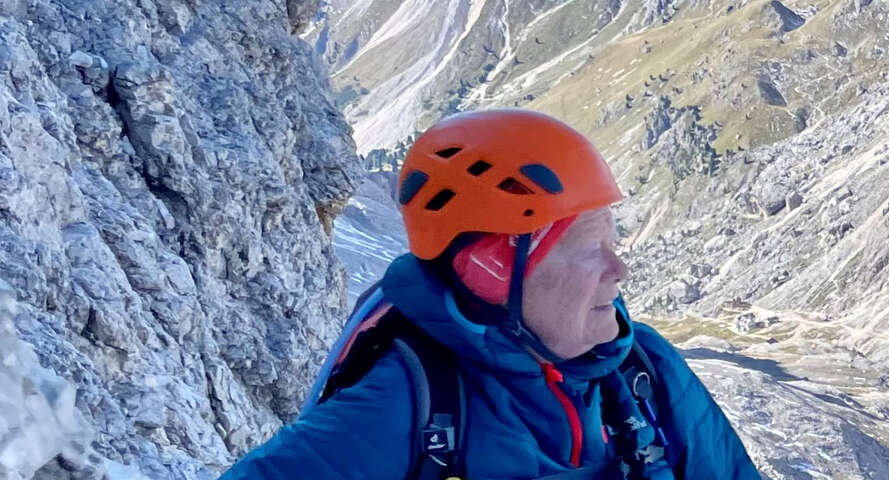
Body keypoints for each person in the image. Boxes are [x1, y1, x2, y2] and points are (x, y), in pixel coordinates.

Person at [224, 109, 765, 480]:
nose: (618, 269)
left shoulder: (646, 370)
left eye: (613, 239)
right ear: (489, 270)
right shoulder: (407, 404)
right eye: (587, 247)